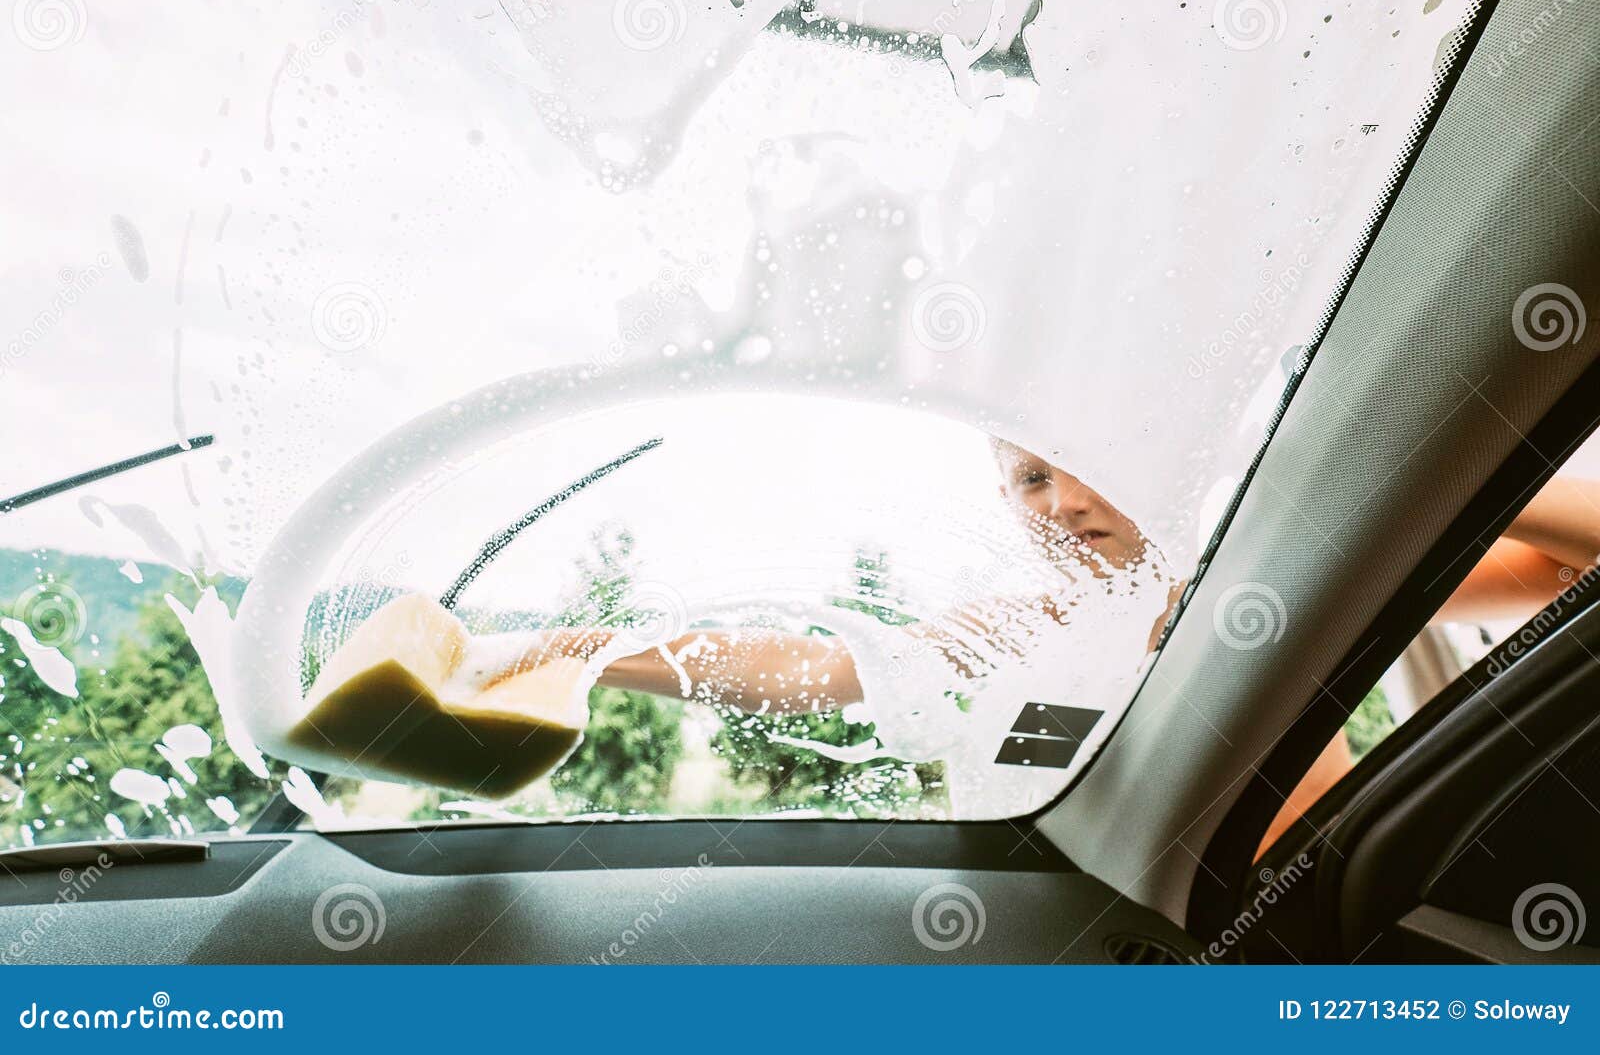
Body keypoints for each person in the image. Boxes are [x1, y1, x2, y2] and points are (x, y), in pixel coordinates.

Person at [464, 439, 1600, 841]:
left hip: (1321, 935)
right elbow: (823, 671)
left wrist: (1367, 479)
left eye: (1077, 460)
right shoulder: (1005, 631)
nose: (1055, 499)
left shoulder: (1286, 580)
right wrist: (596, 649)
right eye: (1026, 477)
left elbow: (1569, 557)